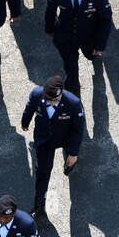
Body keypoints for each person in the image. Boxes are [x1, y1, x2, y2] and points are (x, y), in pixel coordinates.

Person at [20, 74, 86, 219]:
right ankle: (39, 205)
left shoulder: (74, 104)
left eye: (54, 100)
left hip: (65, 138)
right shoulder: (36, 94)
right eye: (48, 100)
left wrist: (74, 153)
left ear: (61, 93)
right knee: (42, 173)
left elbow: (78, 129)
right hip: (45, 140)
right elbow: (30, 108)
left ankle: (69, 160)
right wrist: (25, 121)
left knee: (70, 157)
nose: (50, 103)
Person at [43, 0, 112, 98]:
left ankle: (93, 57)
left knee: (91, 55)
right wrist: (49, 29)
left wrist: (100, 44)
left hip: (89, 36)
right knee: (70, 66)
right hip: (65, 36)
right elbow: (50, 11)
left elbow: (105, 20)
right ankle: (74, 91)